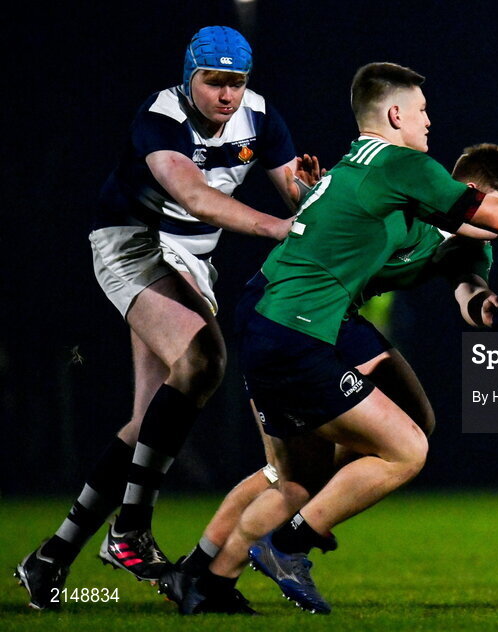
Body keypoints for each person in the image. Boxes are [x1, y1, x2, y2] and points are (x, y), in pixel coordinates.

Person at [166, 61, 498, 615]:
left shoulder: (393, 181)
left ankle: (205, 576)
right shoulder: (407, 172)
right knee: (407, 446)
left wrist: (483, 305)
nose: (429, 121)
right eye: (422, 111)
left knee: (300, 472)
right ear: (396, 114)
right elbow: (493, 214)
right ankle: (289, 544)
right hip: (294, 319)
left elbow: (467, 283)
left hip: (305, 319)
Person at [15, 26, 322, 610]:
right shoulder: (160, 117)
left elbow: (294, 194)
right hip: (134, 244)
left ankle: (52, 557)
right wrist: (278, 227)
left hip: (194, 260)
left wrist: (308, 197)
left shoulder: (261, 116)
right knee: (205, 360)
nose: (226, 95)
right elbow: (199, 198)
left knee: (149, 417)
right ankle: (129, 530)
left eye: (237, 82)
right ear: (189, 79)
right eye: (214, 82)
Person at [160, 143, 498, 614]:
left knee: (405, 425)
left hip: (337, 321)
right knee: (299, 471)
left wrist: (484, 308)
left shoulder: (470, 244)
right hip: (286, 311)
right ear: (472, 193)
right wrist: (313, 199)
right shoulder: (405, 200)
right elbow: (329, 227)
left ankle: (221, 559)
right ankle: (242, 555)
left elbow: (468, 291)